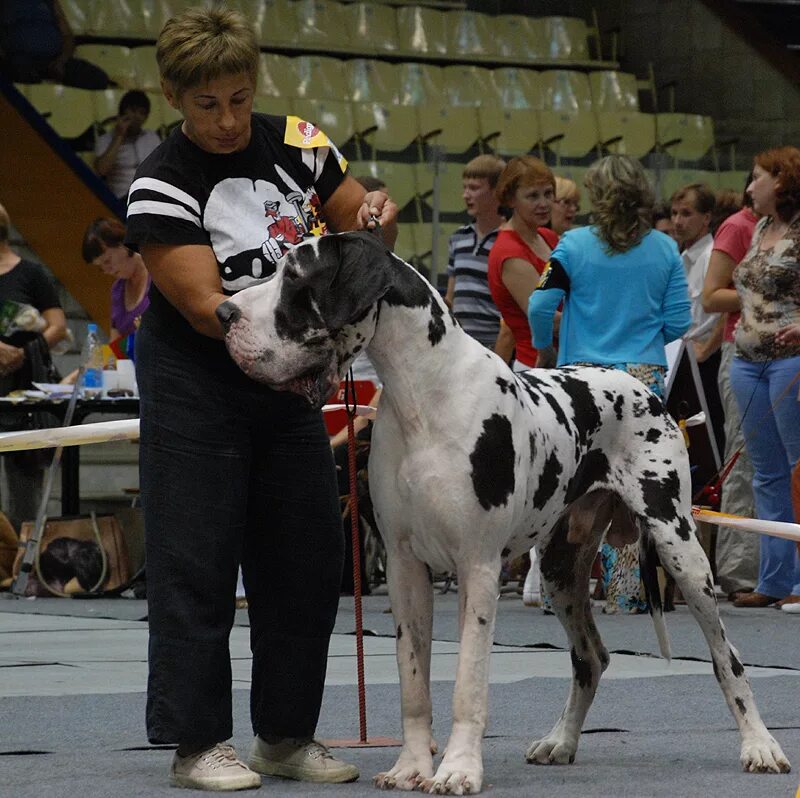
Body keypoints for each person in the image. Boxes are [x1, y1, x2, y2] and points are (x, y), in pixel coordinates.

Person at [123, 8, 397, 791]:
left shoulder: (300, 143)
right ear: (174, 96)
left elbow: (360, 227)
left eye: (239, 99)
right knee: (196, 561)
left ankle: (285, 735)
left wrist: (376, 219)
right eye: (207, 104)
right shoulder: (161, 181)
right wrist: (300, 343)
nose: (227, 119)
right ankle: (198, 744)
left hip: (289, 379)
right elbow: (202, 305)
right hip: (200, 380)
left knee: (307, 558)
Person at [528, 154, 692, 613]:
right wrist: (642, 342)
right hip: (641, 381)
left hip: (580, 382)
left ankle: (559, 590)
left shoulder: (573, 245)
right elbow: (681, 320)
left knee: (567, 487)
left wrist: (544, 346)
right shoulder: (665, 248)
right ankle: (627, 593)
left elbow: (540, 305)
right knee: (636, 491)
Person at [722, 146, 800, 610]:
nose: (750, 187)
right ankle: (775, 580)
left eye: (757, 178)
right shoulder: (759, 228)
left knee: (798, 469)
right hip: (748, 359)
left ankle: (798, 581)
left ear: (782, 181)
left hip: (792, 359)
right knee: (766, 474)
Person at [701, 178, 760, 601]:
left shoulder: (786, 229)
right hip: (745, 353)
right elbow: (711, 298)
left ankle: (780, 569)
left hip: (785, 355)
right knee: (744, 461)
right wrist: (768, 293)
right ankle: (740, 570)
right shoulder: (739, 226)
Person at [0, 202, 67, 531]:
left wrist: (23, 353)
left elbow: (58, 327)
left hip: (22, 390)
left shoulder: (31, 274)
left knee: (24, 495)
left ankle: (24, 557)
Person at [487, 155, 558, 371]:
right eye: (533, 196)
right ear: (511, 200)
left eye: (548, 193)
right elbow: (546, 319)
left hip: (562, 362)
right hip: (536, 366)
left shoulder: (548, 236)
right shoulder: (509, 252)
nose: (543, 203)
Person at [671, 183, 725, 459]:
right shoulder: (682, 257)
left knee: (711, 436)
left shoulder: (711, 256)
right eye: (674, 213)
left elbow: (727, 311)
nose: (678, 221)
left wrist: (706, 350)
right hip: (684, 357)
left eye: (686, 213)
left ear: (706, 218)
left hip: (707, 359)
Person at [445, 155, 507, 352]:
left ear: (497, 192)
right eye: (464, 188)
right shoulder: (458, 237)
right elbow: (451, 296)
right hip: (461, 345)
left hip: (494, 346)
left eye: (474, 188)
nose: (466, 195)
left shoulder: (508, 241)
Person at [0, 0, 109, 88]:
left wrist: (62, 60)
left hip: (54, 59)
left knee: (97, 78)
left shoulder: (50, 2)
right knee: (19, 72)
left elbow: (67, 35)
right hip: (20, 58)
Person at [81, 218, 150, 339]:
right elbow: (115, 344)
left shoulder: (159, 274)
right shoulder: (117, 290)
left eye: (107, 261)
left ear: (123, 244)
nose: (106, 270)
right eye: (100, 268)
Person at [94, 91, 162, 201]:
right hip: (122, 200)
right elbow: (101, 170)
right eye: (133, 111)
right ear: (122, 113)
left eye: (142, 113)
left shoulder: (151, 137)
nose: (137, 117)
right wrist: (119, 136)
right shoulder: (106, 139)